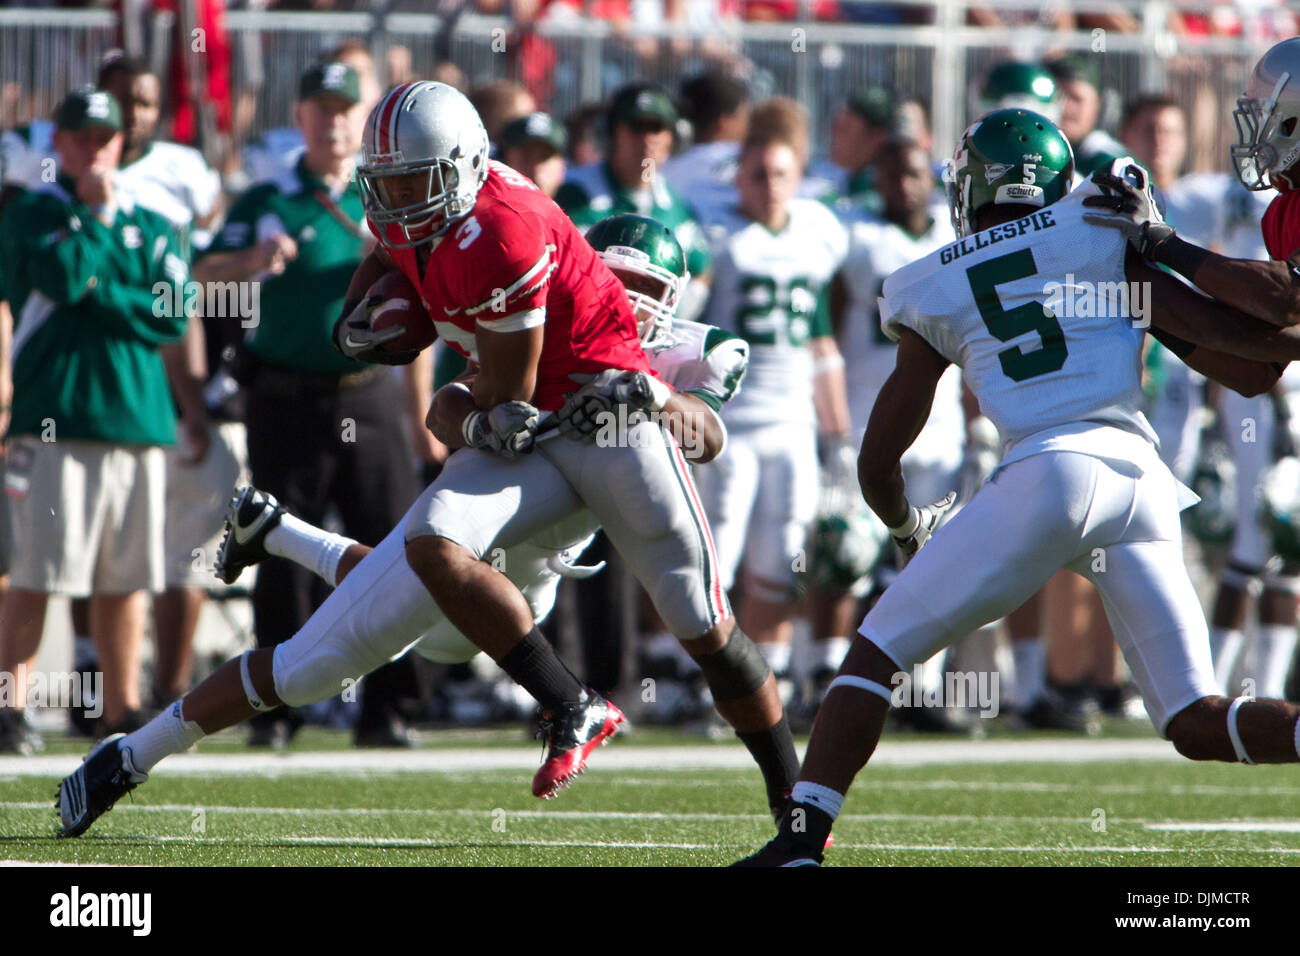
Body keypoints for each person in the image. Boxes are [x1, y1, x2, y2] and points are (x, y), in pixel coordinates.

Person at [55, 213, 751, 838]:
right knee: (309, 666)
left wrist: (651, 395)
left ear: (676, 299)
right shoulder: (545, 326)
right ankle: (129, 755)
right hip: (488, 535)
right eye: (615, 278)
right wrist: (484, 423)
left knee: (429, 615)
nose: (627, 299)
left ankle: (278, 532)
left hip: (534, 577)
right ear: (585, 276)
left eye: (645, 287)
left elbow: (706, 432)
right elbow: (445, 407)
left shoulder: (695, 351)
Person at [736, 109, 1295, 866]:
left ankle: (799, 844)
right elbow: (1253, 367)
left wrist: (906, 532)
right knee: (1195, 720)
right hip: (1138, 481)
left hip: (1047, 469)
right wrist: (1168, 253)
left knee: (873, 656)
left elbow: (878, 462)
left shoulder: (932, 280)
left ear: (971, 185)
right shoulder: (1106, 239)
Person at [194, 62, 422, 749]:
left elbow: (428, 306)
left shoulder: (390, 194)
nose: (334, 121)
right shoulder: (266, 197)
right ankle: (276, 709)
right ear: (299, 118)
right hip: (286, 396)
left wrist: (420, 413)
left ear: (363, 120)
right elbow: (200, 278)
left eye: (345, 108)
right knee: (280, 551)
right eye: (320, 108)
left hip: (371, 393)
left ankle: (389, 709)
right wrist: (251, 261)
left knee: (391, 548)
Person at [0, 88, 189, 752]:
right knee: (38, 573)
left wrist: (100, 294)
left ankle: (121, 708)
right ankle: (10, 705)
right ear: (59, 143)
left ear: (121, 141)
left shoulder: (159, 218)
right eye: (78, 136)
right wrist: (99, 214)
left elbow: (171, 311)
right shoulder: (31, 213)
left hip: (136, 418)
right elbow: (63, 274)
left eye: (103, 137)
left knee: (126, 577)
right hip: (57, 414)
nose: (92, 148)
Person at [810, 137, 965, 726]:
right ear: (874, 177)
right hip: (865, 417)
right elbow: (827, 319)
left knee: (937, 560)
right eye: (893, 174)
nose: (905, 185)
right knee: (842, 551)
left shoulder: (951, 239)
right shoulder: (854, 236)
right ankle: (824, 673)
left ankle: (922, 685)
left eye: (914, 175)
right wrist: (832, 420)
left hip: (941, 423)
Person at [693, 126, 852, 702]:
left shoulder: (814, 237)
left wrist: (838, 437)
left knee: (785, 555)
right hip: (729, 422)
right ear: (738, 177)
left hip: (791, 422)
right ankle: (704, 675)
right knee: (719, 551)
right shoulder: (716, 234)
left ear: (797, 177)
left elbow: (820, 343)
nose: (769, 186)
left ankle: (767, 671)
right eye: (757, 174)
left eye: (780, 173)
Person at [556, 82, 712, 319]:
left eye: (656, 127)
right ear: (611, 133)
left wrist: (669, 322)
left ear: (674, 137)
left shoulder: (677, 208)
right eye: (636, 127)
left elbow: (702, 271)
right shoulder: (570, 195)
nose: (647, 139)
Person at [498, 112, 567, 199]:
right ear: (505, 162)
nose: (535, 169)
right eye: (525, 157)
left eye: (544, 158)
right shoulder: (483, 208)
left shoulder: (576, 206)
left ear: (562, 167)